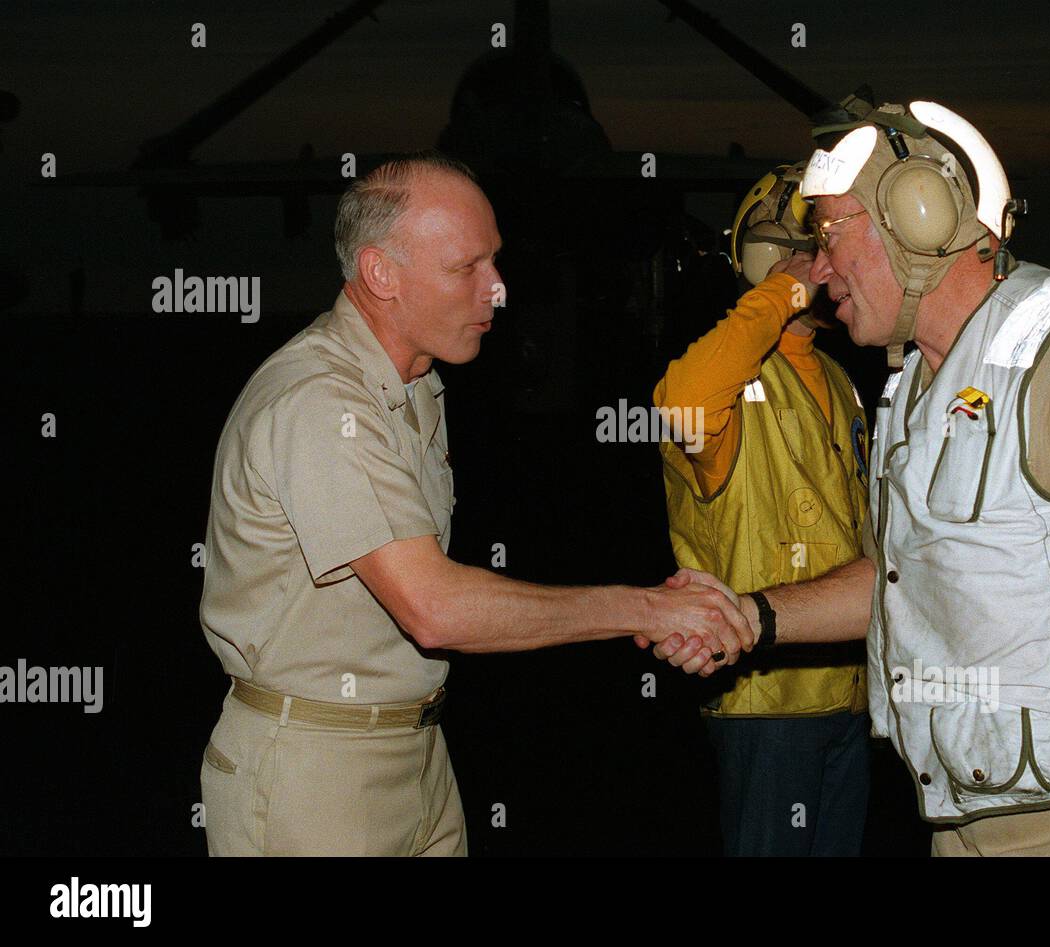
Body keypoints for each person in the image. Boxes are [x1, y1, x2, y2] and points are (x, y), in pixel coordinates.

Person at [649, 94, 1050, 856]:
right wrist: (752, 617)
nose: (817, 268)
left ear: (915, 216)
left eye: (829, 233)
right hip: (964, 824)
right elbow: (896, 584)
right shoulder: (914, 392)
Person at [198, 151, 751, 856]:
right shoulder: (322, 404)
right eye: (467, 268)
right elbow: (435, 609)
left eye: (495, 262)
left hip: (414, 748)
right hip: (317, 769)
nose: (497, 291)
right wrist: (648, 608)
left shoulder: (413, 386)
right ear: (380, 274)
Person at [654, 166, 870, 856]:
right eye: (821, 249)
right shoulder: (733, 376)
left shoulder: (838, 377)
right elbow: (681, 398)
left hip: (850, 693)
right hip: (766, 703)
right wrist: (787, 286)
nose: (838, 266)